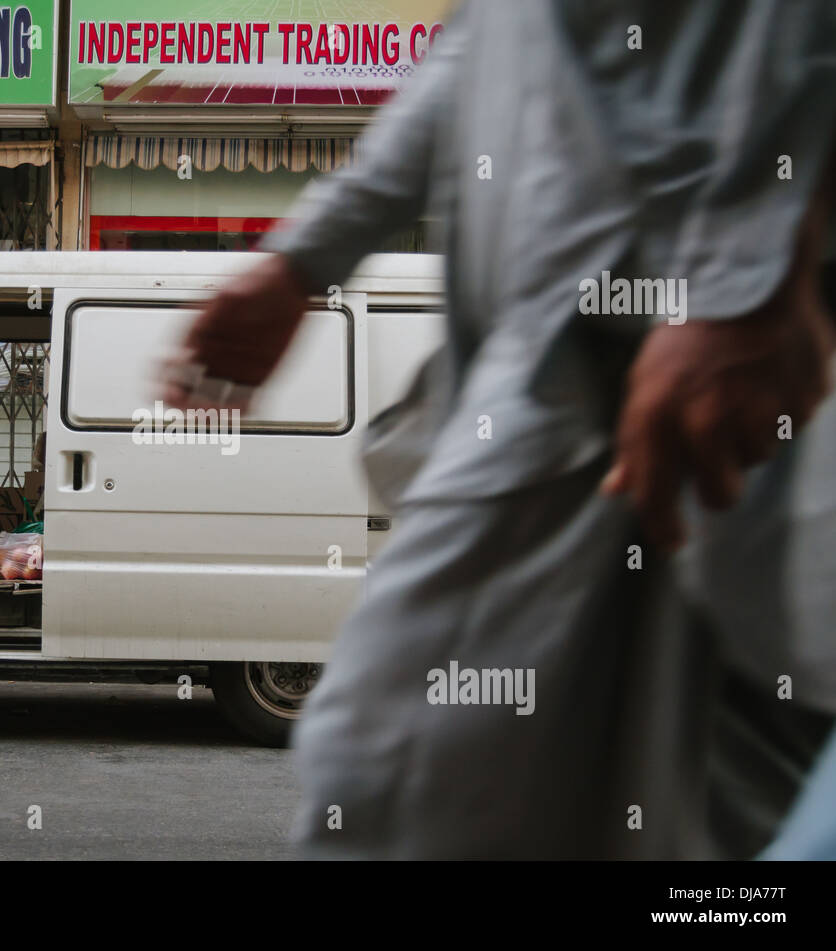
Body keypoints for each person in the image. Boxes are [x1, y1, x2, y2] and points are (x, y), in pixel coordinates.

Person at [161, 0, 836, 858]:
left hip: (629, 381)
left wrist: (743, 279)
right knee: (711, 802)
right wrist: (303, 260)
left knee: (392, 773)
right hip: (585, 384)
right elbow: (472, 54)